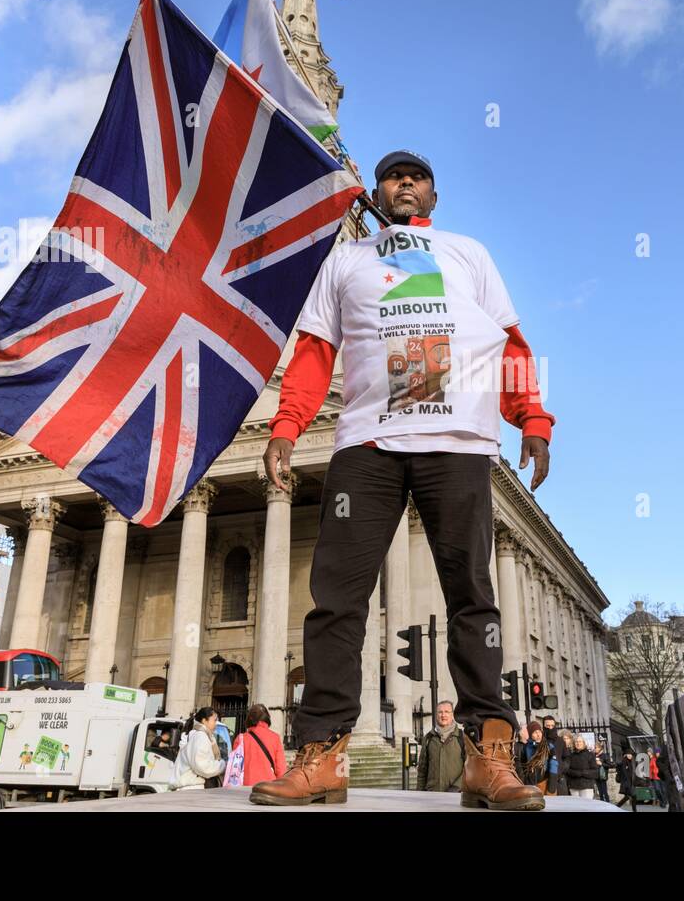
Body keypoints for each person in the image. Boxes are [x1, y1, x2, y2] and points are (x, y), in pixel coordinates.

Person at [251, 151, 553, 812]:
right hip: (367, 443)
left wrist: (532, 416)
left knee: (473, 599)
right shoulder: (345, 263)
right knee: (335, 600)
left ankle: (488, 755)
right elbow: (313, 353)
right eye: (393, 176)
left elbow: (510, 343)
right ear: (379, 194)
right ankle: (323, 755)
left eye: (415, 176)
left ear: (434, 197)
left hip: (457, 439)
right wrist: (287, 424)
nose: (404, 183)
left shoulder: (468, 254)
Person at [416, 701, 467, 793]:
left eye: (447, 712)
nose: (443, 715)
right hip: (432, 795)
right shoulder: (428, 738)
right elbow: (422, 770)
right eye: (440, 712)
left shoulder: (462, 737)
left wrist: (457, 787)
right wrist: (419, 793)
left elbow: (469, 767)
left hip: (456, 795)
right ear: (436, 715)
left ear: (452, 715)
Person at [232, 704, 287, 786]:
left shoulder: (241, 739)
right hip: (269, 786)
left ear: (249, 719)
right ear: (267, 718)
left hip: (245, 786)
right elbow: (281, 769)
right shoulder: (275, 738)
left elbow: (235, 767)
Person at [172, 707, 227, 791]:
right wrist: (222, 765)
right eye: (214, 720)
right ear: (204, 720)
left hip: (191, 787)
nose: (216, 723)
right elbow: (202, 766)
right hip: (193, 788)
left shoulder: (198, 735)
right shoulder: (200, 736)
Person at [565, 734, 599, 799]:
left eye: (580, 741)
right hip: (573, 786)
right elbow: (567, 770)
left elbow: (595, 772)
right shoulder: (570, 756)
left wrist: (582, 773)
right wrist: (576, 773)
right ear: (574, 743)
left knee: (587, 807)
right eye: (576, 742)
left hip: (586, 786)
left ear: (583, 743)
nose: (578, 743)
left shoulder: (590, 755)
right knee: (576, 808)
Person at [519, 722, 550, 791]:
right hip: (529, 782)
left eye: (539, 732)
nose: (538, 734)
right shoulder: (525, 747)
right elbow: (521, 765)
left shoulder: (548, 746)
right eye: (535, 732)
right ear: (530, 734)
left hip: (543, 782)